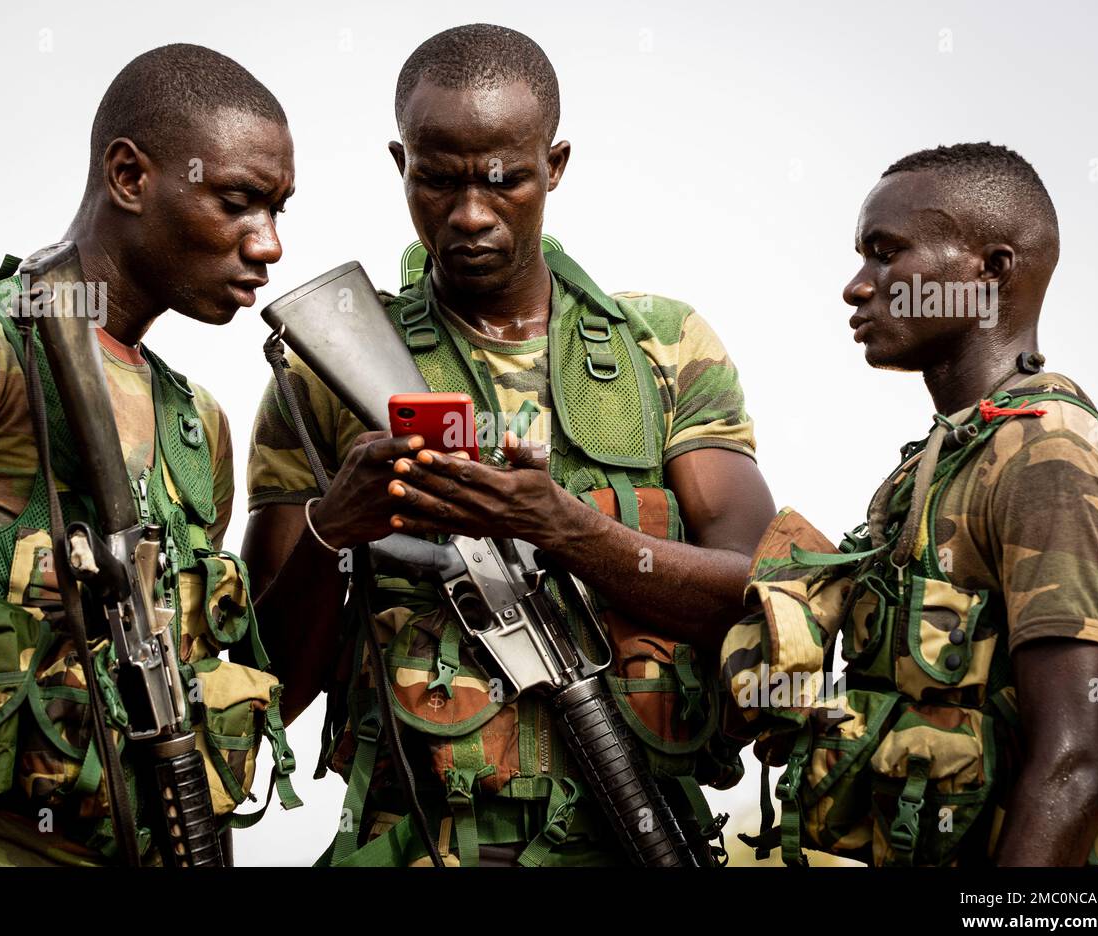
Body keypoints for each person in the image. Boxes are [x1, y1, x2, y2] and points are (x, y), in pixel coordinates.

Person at [242, 23, 776, 866]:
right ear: (400, 164)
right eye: (436, 181)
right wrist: (329, 532)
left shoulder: (663, 347)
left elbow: (755, 589)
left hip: (635, 836)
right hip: (418, 840)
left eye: (505, 181)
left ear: (554, 166)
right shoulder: (325, 370)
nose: (469, 215)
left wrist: (568, 530)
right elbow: (265, 684)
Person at [0, 43, 298, 866]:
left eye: (278, 211)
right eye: (238, 202)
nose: (266, 245)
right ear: (128, 177)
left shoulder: (198, 424)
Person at [721, 142, 1098, 866]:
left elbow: (1079, 759)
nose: (858, 286)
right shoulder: (942, 459)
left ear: (991, 270)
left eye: (887, 254)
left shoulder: (1046, 456)